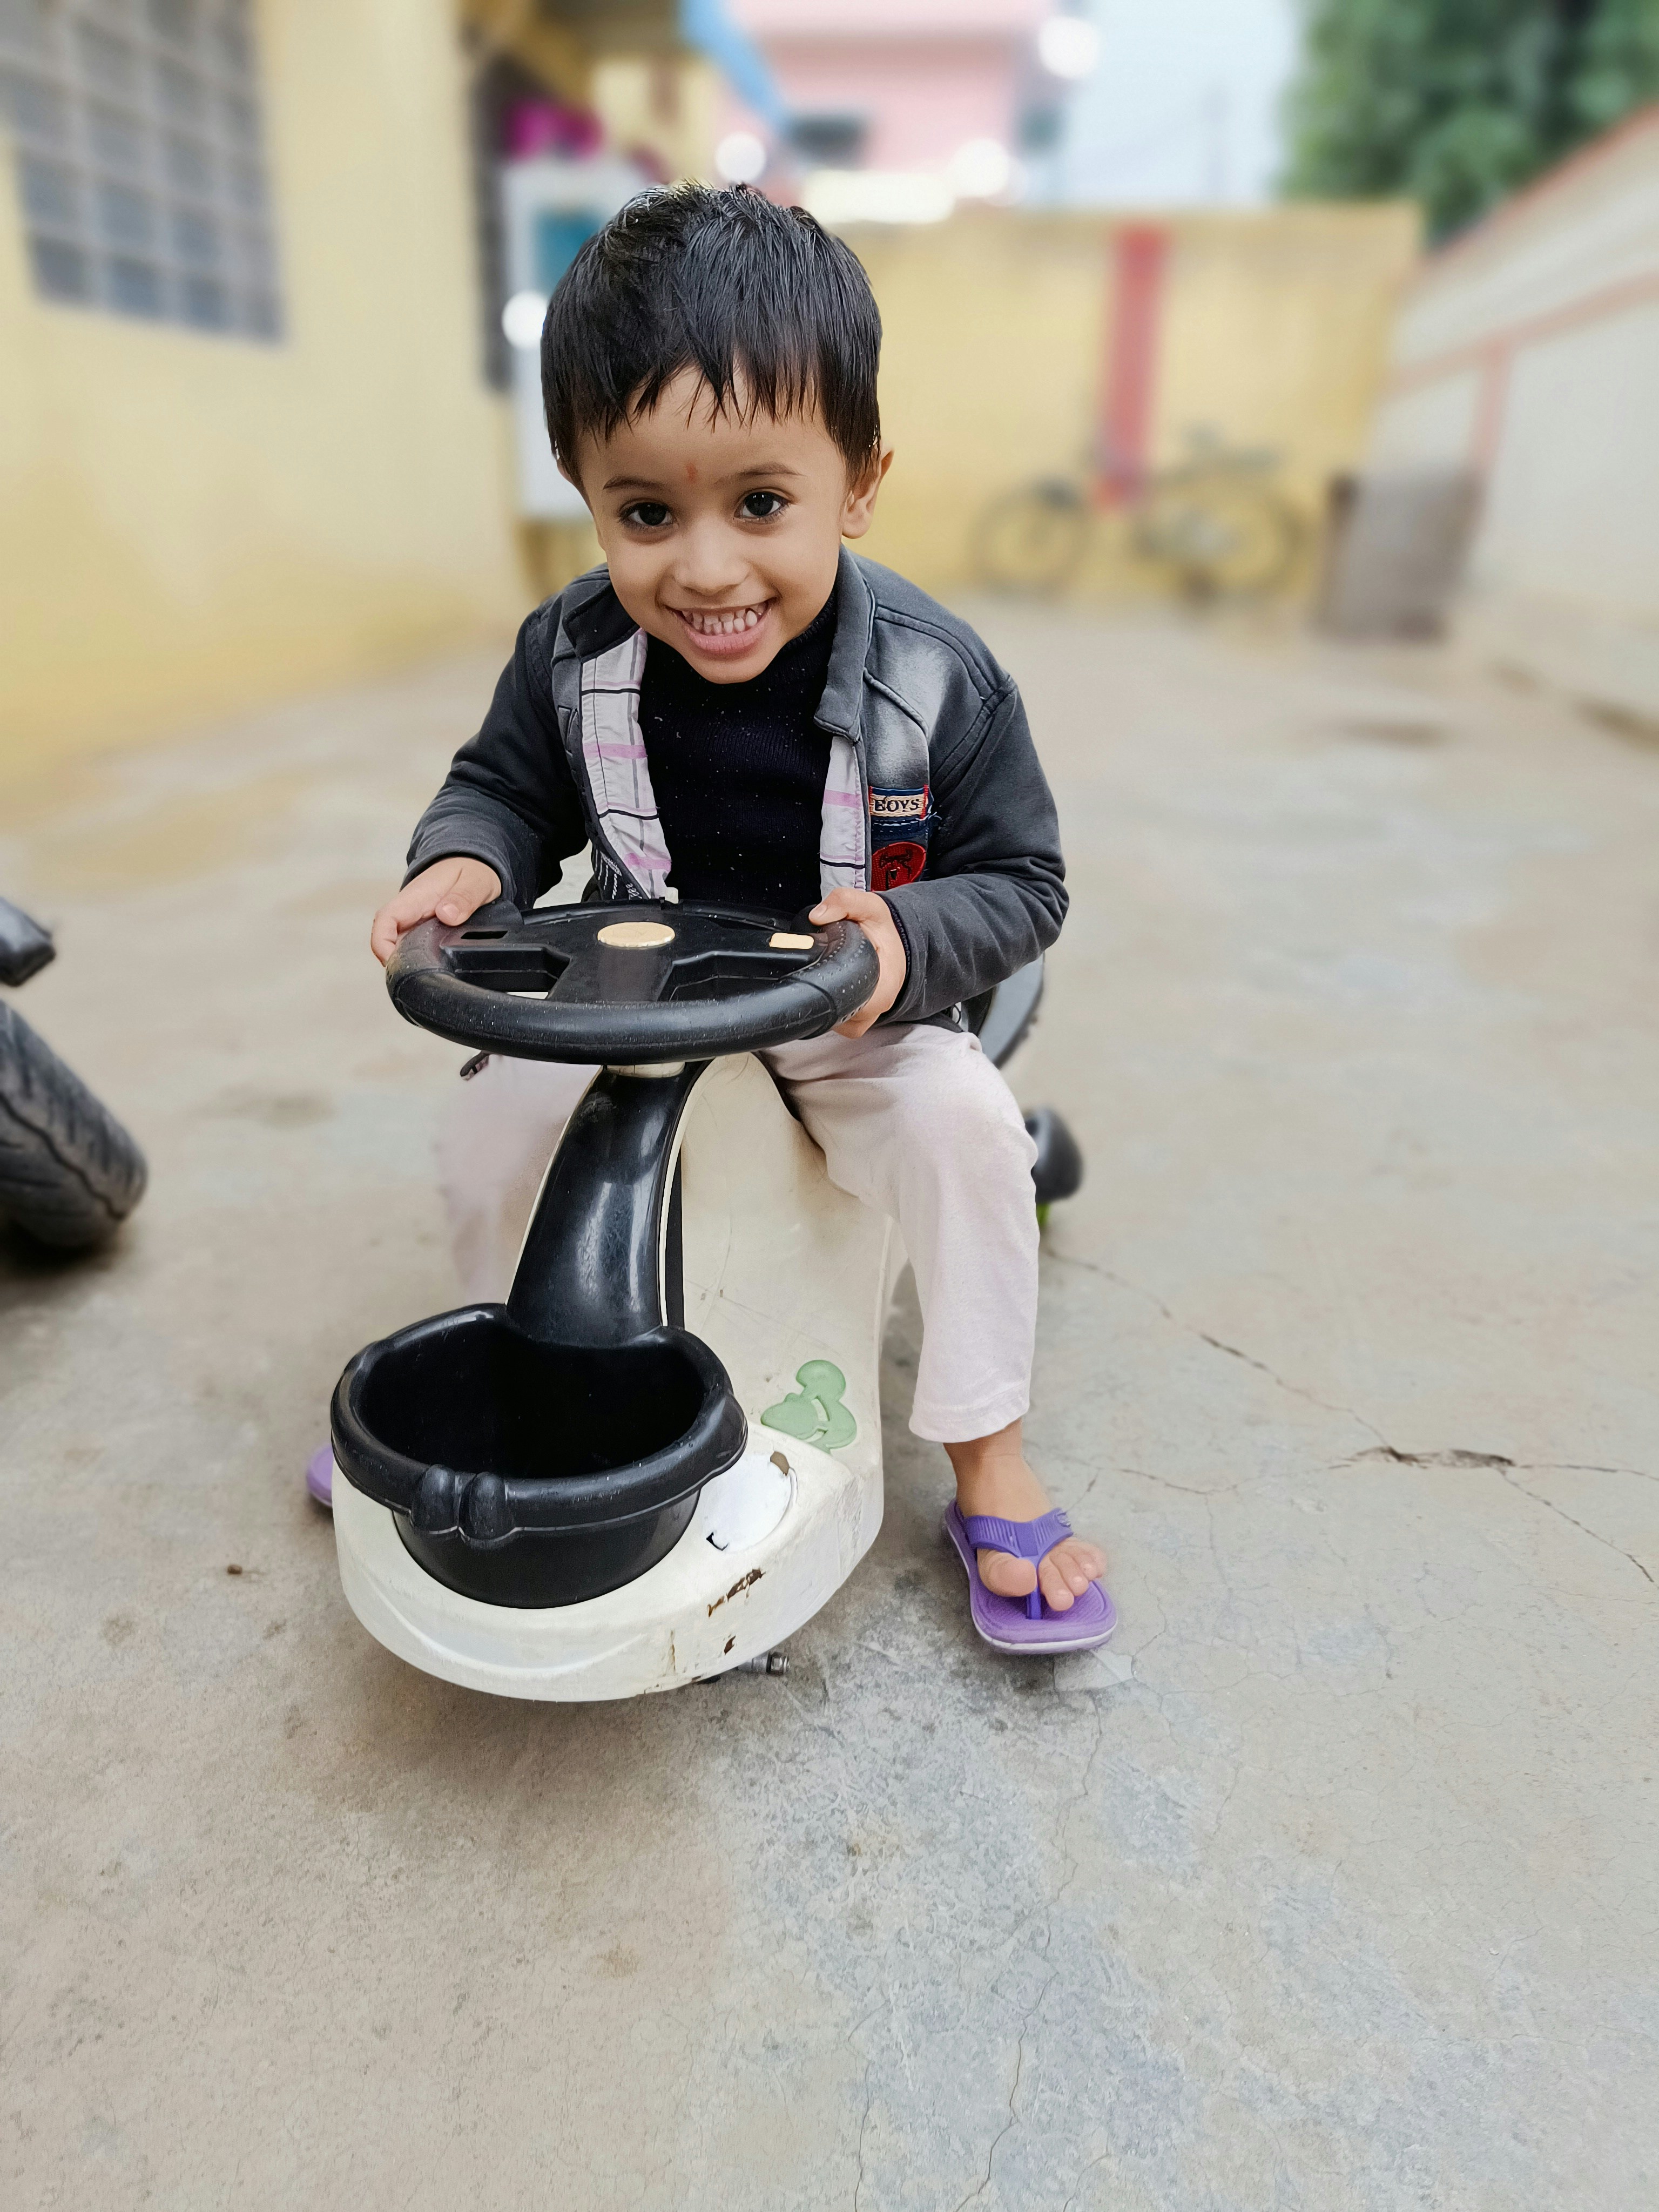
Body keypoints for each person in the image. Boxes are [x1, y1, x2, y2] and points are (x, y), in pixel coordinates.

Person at [355, 183, 1111, 1653]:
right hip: (632, 1002)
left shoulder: (944, 682)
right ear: (587, 491)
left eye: (761, 504)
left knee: (962, 1135)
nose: (704, 571)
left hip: (852, 1013)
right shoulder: (570, 656)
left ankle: (986, 1454)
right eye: (647, 513)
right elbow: (501, 790)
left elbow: (1026, 884)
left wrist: (902, 947)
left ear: (859, 480)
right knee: (489, 1133)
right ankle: (515, 1398)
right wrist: (468, 863)